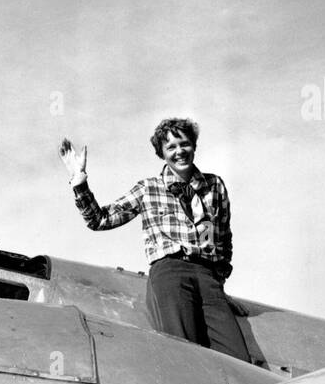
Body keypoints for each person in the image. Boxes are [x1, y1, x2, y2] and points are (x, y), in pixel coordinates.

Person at [58, 119, 251, 363]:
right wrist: (79, 181)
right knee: (186, 355)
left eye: (184, 144)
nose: (179, 151)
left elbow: (223, 238)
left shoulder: (215, 186)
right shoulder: (148, 188)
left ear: (194, 146)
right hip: (171, 274)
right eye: (171, 147)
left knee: (238, 359)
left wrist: (219, 284)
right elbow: (100, 220)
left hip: (208, 277)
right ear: (162, 154)